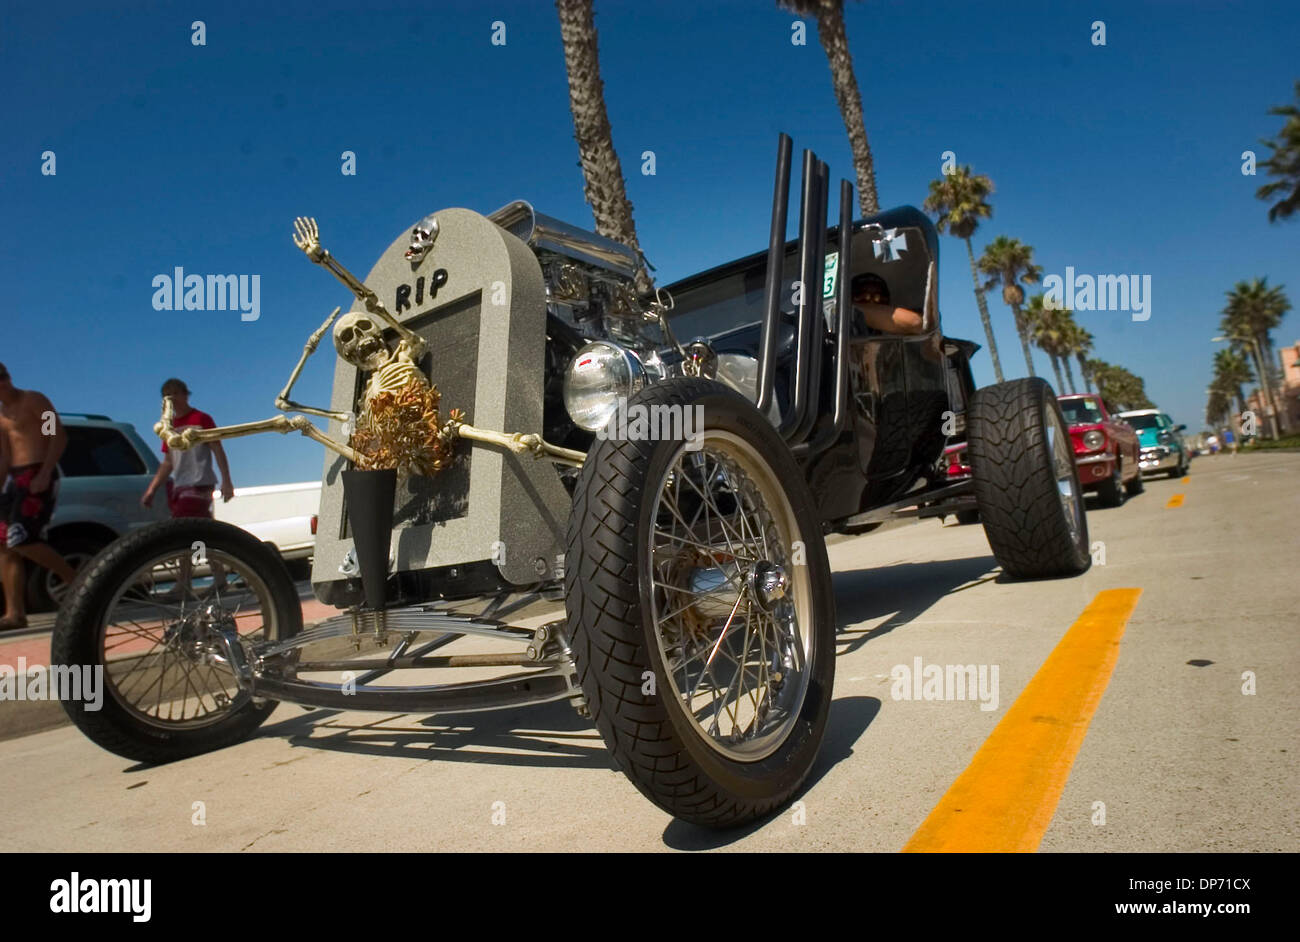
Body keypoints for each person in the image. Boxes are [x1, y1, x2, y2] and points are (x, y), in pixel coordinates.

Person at [141, 378, 234, 599]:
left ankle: (184, 583)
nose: (173, 398)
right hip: (181, 485)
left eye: (176, 393)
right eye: (168, 395)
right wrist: (152, 489)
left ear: (185, 394)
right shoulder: (168, 427)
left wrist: (227, 480)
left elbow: (217, 448)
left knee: (183, 531)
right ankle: (219, 578)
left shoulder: (201, 419)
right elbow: (168, 461)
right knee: (201, 533)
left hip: (200, 482)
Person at [0, 363, 77, 629]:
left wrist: (45, 472)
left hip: (37, 472)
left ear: (9, 378)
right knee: (4, 546)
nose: (2, 386)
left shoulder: (33, 400)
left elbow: (56, 436)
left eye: (3, 380)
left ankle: (77, 582)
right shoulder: (1, 416)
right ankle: (15, 613)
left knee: (23, 540)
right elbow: (5, 456)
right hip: (14, 480)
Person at [851, 272, 925, 335]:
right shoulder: (843, 326)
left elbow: (917, 323)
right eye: (863, 297)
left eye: (879, 298)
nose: (871, 302)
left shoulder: (893, 336)